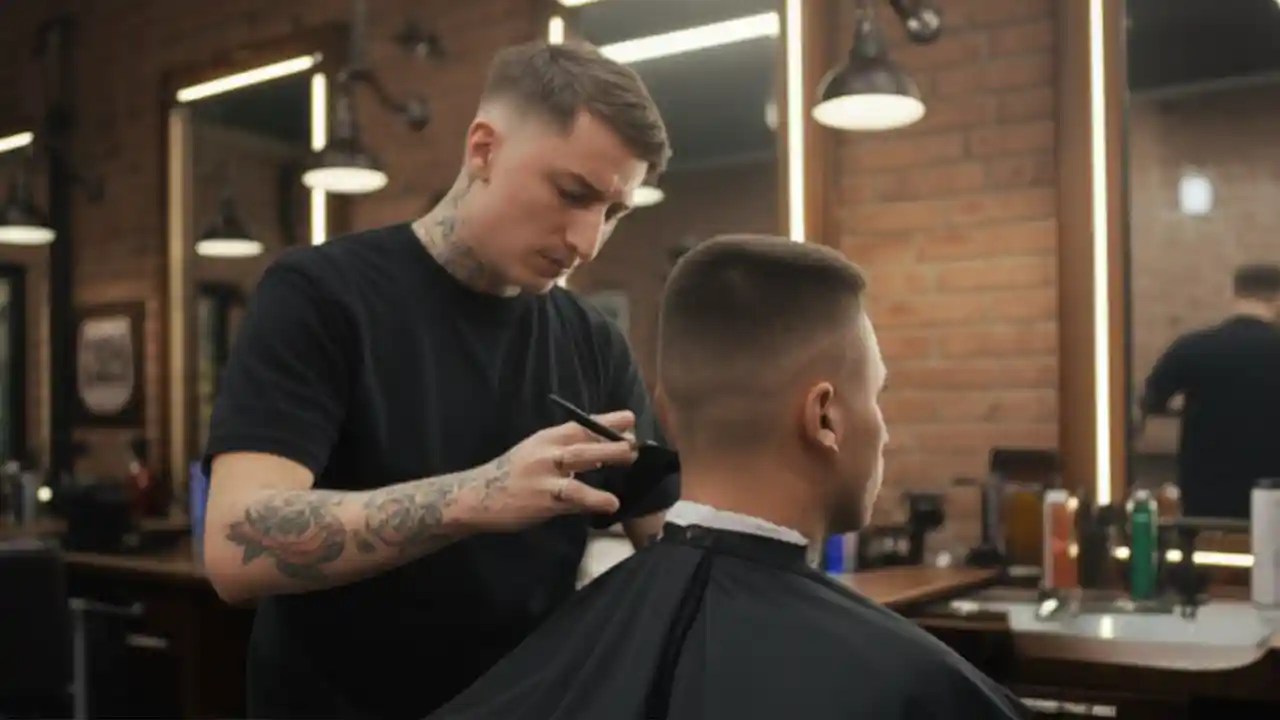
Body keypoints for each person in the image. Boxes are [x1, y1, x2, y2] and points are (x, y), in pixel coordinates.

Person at [200, 40, 680, 720]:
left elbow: (669, 544)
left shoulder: (592, 342)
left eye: (614, 211)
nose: (588, 240)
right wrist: (479, 495)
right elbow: (232, 546)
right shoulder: (320, 296)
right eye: (573, 193)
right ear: (483, 149)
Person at [427, 235, 1030, 720]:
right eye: (876, 396)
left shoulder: (541, 667)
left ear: (664, 408)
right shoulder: (915, 687)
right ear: (824, 417)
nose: (885, 431)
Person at [1138, 263, 1280, 519]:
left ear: (1235, 295)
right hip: (1273, 494)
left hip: (1206, 494)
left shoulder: (1192, 348)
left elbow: (1151, 401)